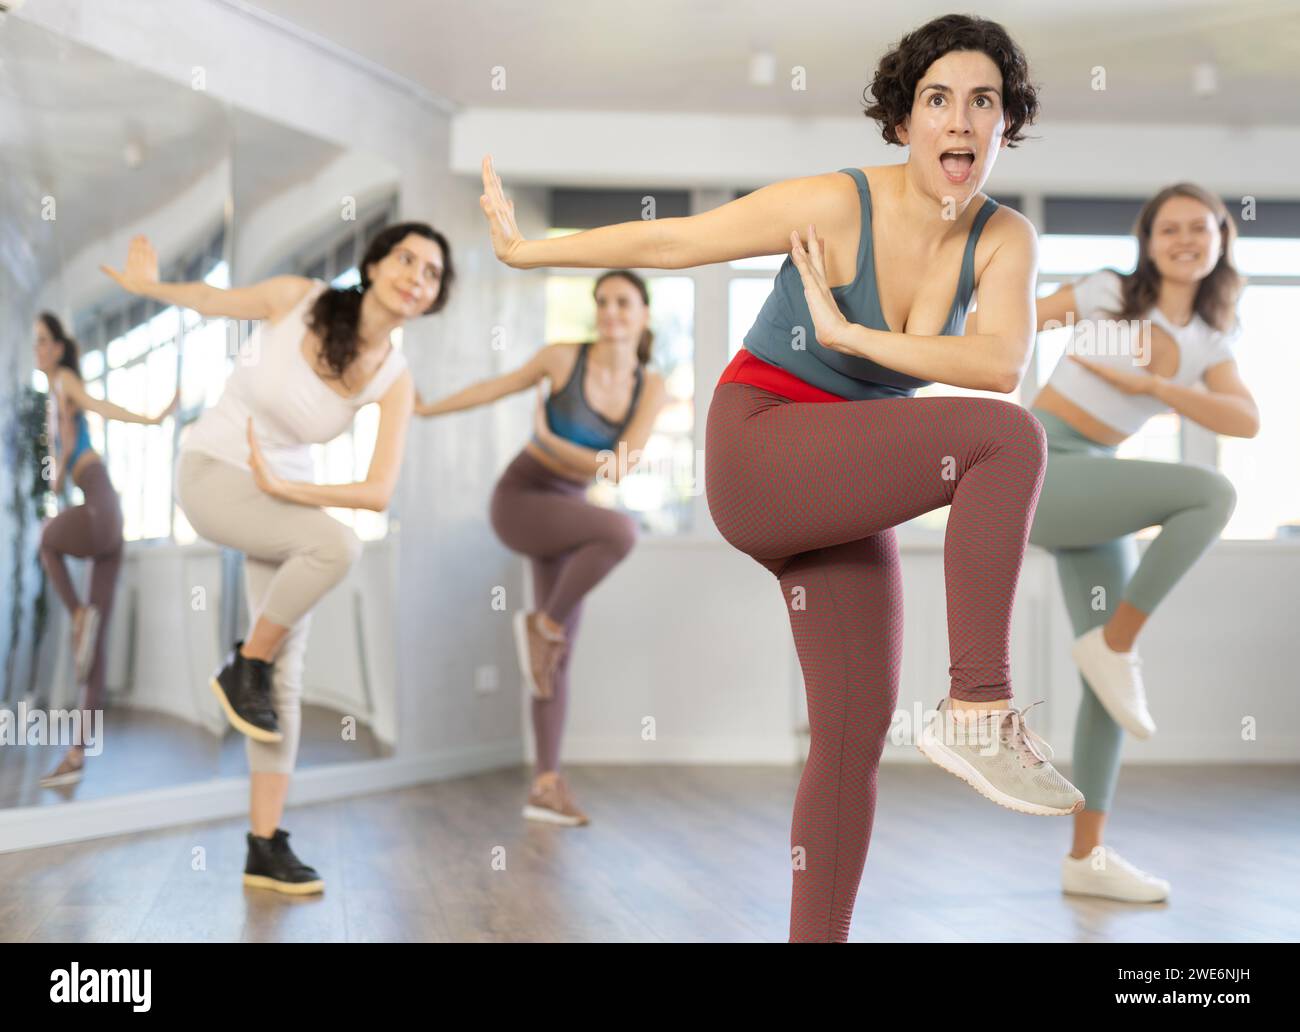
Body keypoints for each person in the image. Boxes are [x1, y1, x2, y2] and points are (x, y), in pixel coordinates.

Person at [477, 13, 1084, 942]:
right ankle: (978, 707)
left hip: (842, 474)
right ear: (902, 123)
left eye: (982, 103)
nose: (959, 121)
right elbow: (680, 242)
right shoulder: (841, 203)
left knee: (853, 732)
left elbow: (1000, 362)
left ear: (1006, 127)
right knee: (1011, 442)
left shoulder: (1005, 240)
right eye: (937, 101)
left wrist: (850, 337)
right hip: (762, 448)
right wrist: (529, 252)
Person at [100, 223, 453, 893]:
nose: (418, 275)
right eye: (407, 259)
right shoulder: (299, 298)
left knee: (283, 677)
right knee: (335, 546)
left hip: (277, 497)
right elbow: (211, 301)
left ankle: (264, 845)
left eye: (433, 274)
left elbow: (378, 492)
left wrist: (290, 488)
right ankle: (245, 662)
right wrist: (150, 289)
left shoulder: (396, 378)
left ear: (432, 300)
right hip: (210, 470)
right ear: (375, 265)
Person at [1028, 182, 1256, 902]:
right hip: (1037, 466)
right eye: (1169, 229)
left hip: (1093, 478)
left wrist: (1153, 384)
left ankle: (1085, 858)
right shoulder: (1103, 293)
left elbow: (1244, 420)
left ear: (1221, 238)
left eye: (1200, 227)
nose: (1185, 238)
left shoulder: (1208, 340)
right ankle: (1117, 644)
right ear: (1148, 241)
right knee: (1210, 493)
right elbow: (1006, 323)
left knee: (1108, 690)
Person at [415, 269, 667, 825]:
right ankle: (543, 625)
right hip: (523, 501)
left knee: (554, 658)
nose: (610, 312)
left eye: (623, 302)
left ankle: (545, 785)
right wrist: (427, 408)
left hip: (569, 513)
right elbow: (497, 387)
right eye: (602, 301)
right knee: (621, 532)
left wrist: (551, 441)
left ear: (644, 313)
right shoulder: (562, 359)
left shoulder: (651, 386)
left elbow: (620, 467)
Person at [34, 313, 177, 788]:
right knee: (94, 653)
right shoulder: (54, 406)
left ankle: (77, 613)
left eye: (41, 342)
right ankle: (77, 755)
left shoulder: (66, 381)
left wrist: (153, 418)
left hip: (101, 506)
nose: (37, 351)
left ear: (57, 347)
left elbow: (103, 405)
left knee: (47, 541)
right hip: (105, 518)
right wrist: (58, 449)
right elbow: (57, 476)